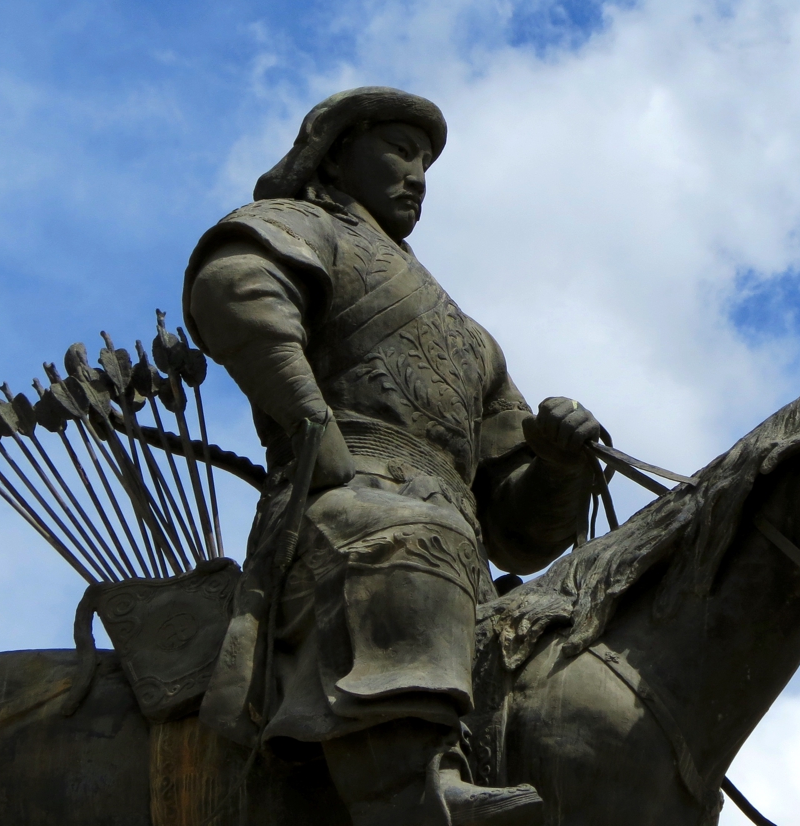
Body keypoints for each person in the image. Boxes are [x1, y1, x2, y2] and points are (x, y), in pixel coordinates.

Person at [182, 87, 605, 826]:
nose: (418, 177)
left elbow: (515, 527)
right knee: (407, 535)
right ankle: (412, 795)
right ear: (336, 156)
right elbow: (234, 283)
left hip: (461, 540)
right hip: (340, 504)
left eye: (427, 164)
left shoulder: (471, 339)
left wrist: (556, 462)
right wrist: (309, 418)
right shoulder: (302, 226)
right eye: (400, 152)